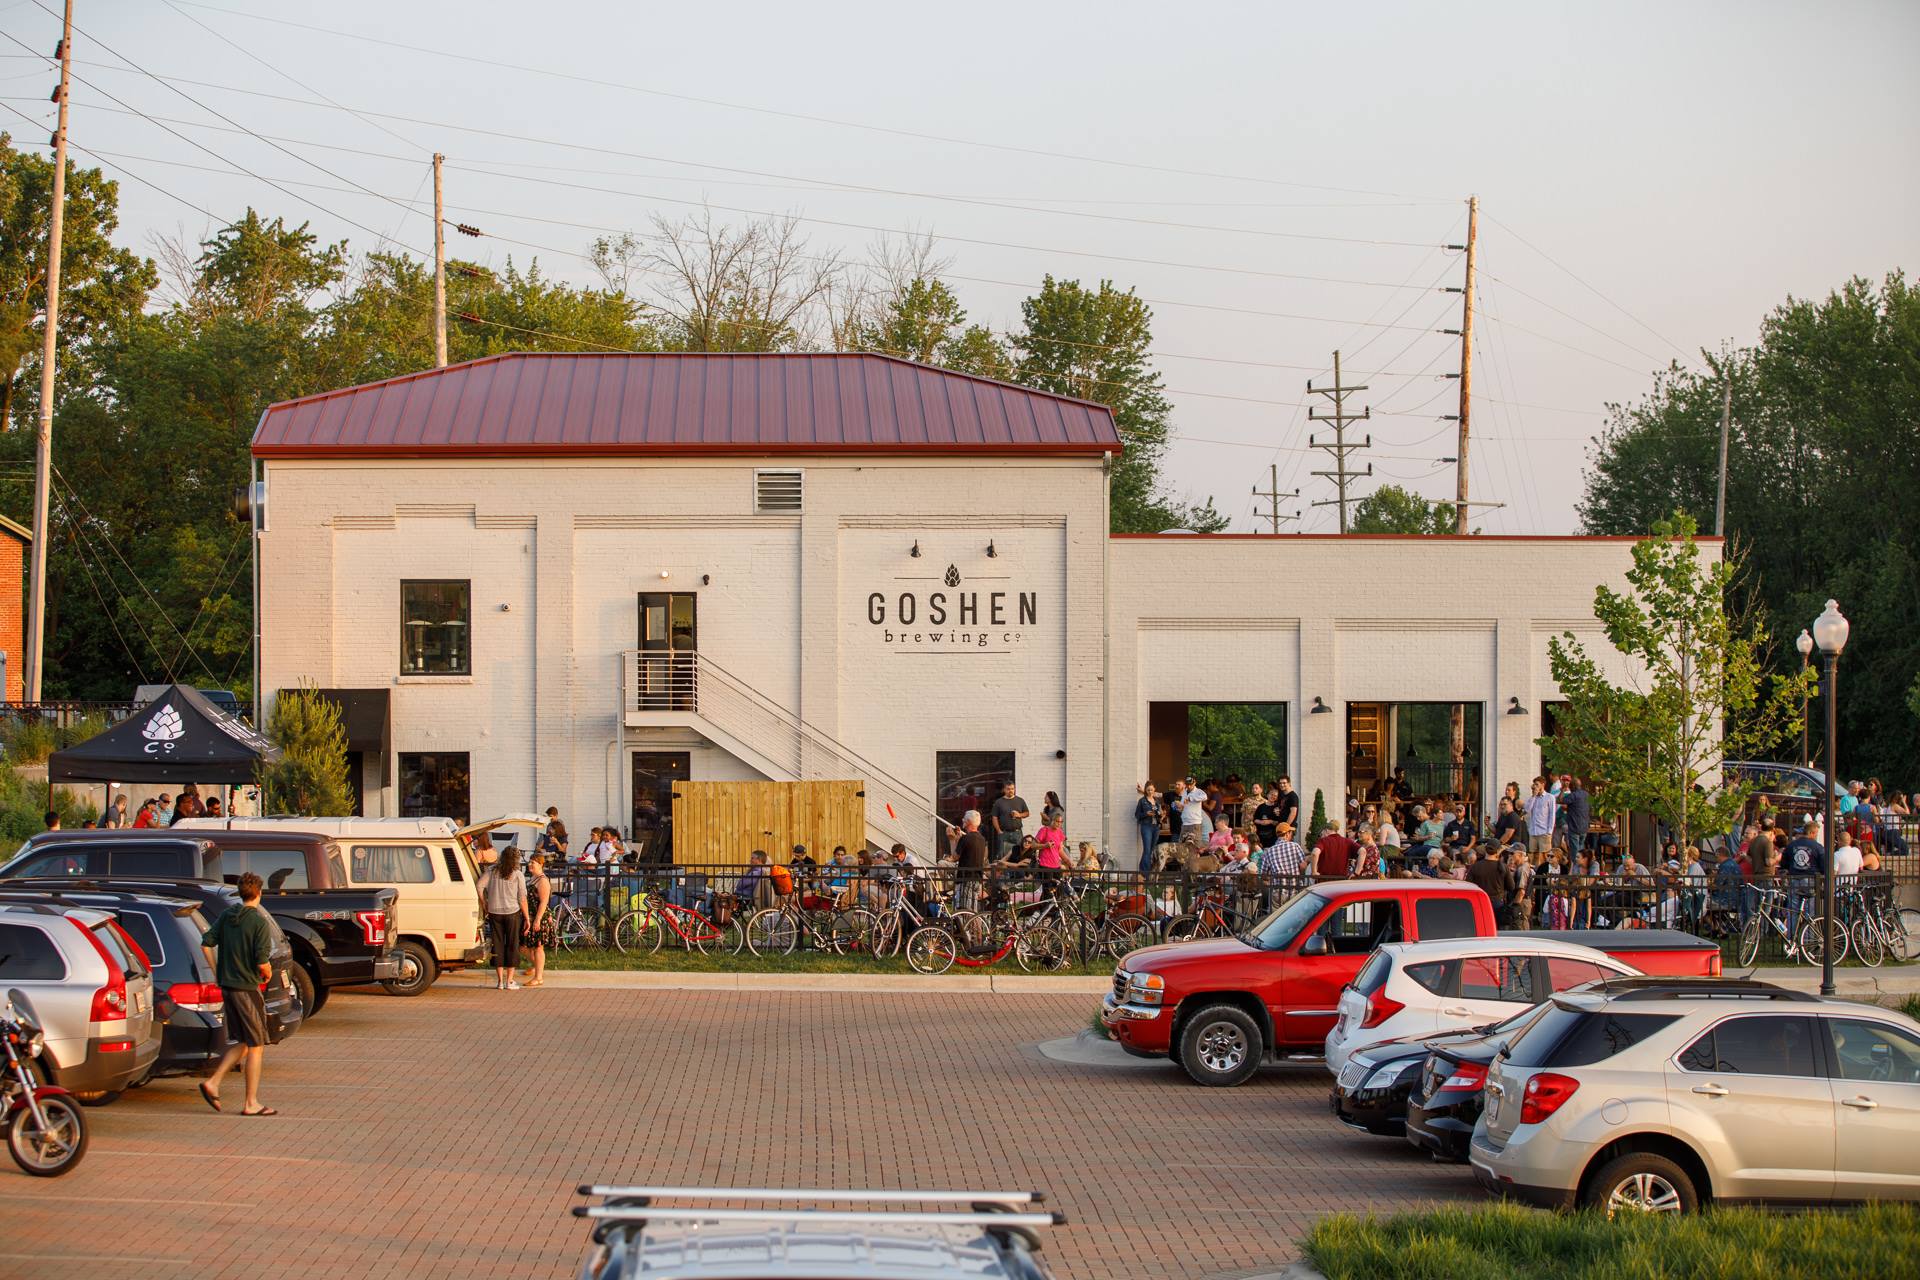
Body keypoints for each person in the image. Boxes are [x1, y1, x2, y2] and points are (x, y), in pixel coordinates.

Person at [197, 872, 278, 1116]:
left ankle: (213, 1083)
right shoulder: (258, 922)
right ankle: (251, 1103)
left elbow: (206, 943)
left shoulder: (227, 915)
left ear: (240, 893)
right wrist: (268, 973)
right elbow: (262, 961)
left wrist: (215, 972)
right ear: (260, 892)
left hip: (228, 987)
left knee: (243, 1041)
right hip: (247, 988)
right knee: (256, 1045)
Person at [479, 848, 530, 991]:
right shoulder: (517, 874)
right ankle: (510, 980)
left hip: (494, 911)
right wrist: (526, 917)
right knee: (512, 944)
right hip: (512, 912)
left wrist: (484, 902)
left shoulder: (492, 870)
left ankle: (500, 981)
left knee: (498, 944)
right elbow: (522, 897)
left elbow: (479, 886)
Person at [522, 850, 555, 987]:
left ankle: (538, 977)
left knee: (538, 947)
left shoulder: (542, 880)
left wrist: (537, 920)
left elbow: (543, 902)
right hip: (530, 916)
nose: (530, 864)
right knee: (524, 946)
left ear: (541, 864)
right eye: (529, 862)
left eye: (533, 862)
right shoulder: (533, 879)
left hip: (540, 917)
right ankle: (536, 966)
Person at [954, 810, 989, 910]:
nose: (962, 820)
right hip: (977, 877)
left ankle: (969, 926)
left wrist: (953, 840)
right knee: (973, 908)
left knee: (965, 909)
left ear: (968, 821)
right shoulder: (982, 839)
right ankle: (975, 926)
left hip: (966, 877)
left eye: (964, 818)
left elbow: (955, 857)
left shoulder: (965, 838)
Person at [990, 782, 1030, 861]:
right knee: (1002, 855)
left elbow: (1027, 813)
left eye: (1012, 789)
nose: (1010, 791)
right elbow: (994, 817)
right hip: (1004, 832)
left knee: (1019, 854)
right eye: (1008, 789)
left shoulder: (1020, 800)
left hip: (1017, 832)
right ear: (1004, 790)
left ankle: (1016, 872)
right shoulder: (999, 802)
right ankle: (1003, 873)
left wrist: (1019, 815)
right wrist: (998, 830)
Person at [1524, 777, 1557, 856]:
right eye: (1534, 784)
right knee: (1533, 856)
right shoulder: (1533, 798)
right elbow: (1527, 810)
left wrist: (1549, 832)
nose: (1535, 786)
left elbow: (1552, 815)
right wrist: (1534, 796)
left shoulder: (1550, 797)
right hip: (1533, 832)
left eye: (1537, 784)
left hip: (1544, 832)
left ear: (1543, 784)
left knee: (1545, 856)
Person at [1134, 785, 1161, 873]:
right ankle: (1146, 874)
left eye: (1151, 790)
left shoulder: (1156, 801)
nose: (1150, 791)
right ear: (1145, 790)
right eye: (1148, 790)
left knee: (1152, 849)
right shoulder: (1142, 801)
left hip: (1156, 827)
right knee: (1147, 849)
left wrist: (1160, 814)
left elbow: (1159, 814)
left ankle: (1142, 871)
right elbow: (1137, 815)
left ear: (1154, 790)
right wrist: (1146, 814)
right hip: (1146, 826)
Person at [1034, 812, 1066, 883]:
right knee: (1047, 889)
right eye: (1057, 821)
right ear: (1051, 820)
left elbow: (1060, 850)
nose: (1059, 823)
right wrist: (1045, 845)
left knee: (1058, 889)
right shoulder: (1044, 830)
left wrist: (1068, 861)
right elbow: (1033, 845)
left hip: (1057, 865)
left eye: (1061, 822)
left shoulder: (1060, 832)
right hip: (1045, 865)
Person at [1178, 778, 1208, 847]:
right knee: (1182, 845)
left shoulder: (1198, 791)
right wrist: (1179, 806)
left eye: (1190, 784)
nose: (1188, 786)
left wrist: (1191, 798)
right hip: (1185, 822)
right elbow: (1183, 804)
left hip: (1195, 823)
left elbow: (1205, 797)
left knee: (1195, 846)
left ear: (1194, 783)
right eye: (1187, 784)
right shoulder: (1184, 791)